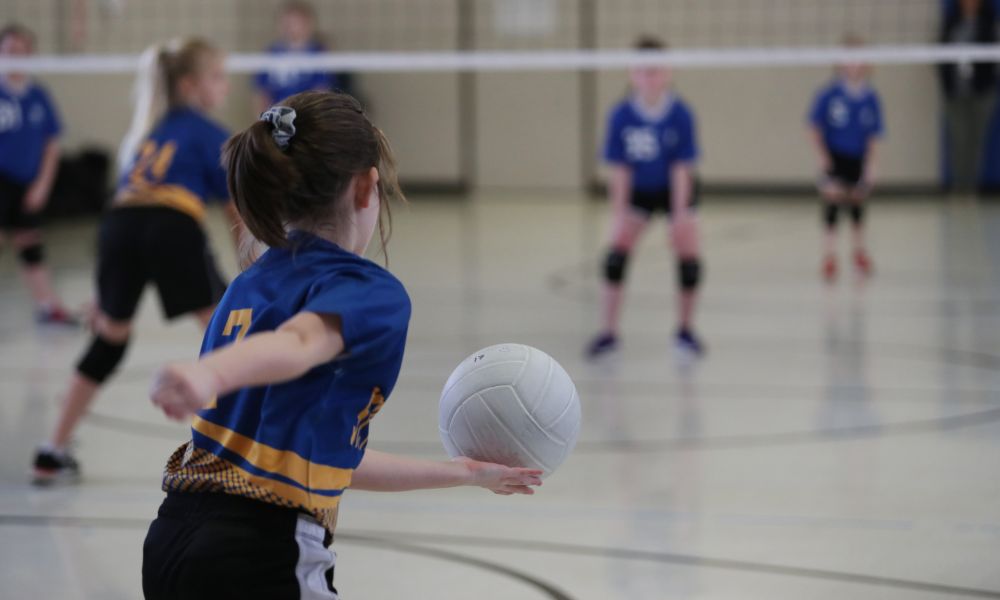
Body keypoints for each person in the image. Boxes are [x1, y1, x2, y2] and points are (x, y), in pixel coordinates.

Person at [141, 90, 542, 600]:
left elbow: (329, 458)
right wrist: (209, 376)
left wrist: (464, 472)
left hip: (173, 540)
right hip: (263, 554)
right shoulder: (369, 292)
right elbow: (301, 342)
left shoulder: (248, 285)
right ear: (366, 186)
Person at [31, 38, 240, 484]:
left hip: (118, 227)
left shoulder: (149, 133)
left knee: (109, 340)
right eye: (218, 77)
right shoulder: (209, 134)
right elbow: (235, 212)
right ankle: (248, 448)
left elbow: (124, 214)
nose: (225, 86)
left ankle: (51, 450)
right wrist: (257, 270)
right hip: (170, 226)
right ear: (190, 85)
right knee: (230, 333)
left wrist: (103, 290)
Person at [586, 35, 705, 359]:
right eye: (642, 71)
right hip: (639, 188)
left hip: (673, 189)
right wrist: (620, 212)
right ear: (631, 74)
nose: (649, 77)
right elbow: (620, 169)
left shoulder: (681, 113)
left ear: (668, 72)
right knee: (614, 257)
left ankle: (685, 331)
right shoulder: (621, 115)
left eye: (655, 70)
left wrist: (679, 216)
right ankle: (608, 333)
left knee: (689, 257)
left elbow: (683, 169)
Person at [0, 23, 78, 324]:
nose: (14, 57)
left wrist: (43, 185)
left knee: (30, 242)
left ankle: (48, 306)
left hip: (27, 181)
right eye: (8, 51)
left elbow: (52, 143)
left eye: (20, 51)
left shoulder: (38, 95)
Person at [808, 34, 884, 282]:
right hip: (835, 157)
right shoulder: (829, 94)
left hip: (858, 158)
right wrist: (821, 157)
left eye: (858, 59)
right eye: (848, 59)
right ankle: (829, 257)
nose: (853, 64)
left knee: (857, 205)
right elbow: (813, 126)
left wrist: (872, 165)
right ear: (840, 63)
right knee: (831, 204)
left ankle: (858, 254)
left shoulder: (871, 97)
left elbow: (874, 135)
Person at [939, 0, 998, 193]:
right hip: (956, 93)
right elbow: (940, 55)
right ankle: (959, 188)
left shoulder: (989, 23)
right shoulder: (951, 22)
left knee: (976, 142)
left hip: (982, 92)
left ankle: (971, 188)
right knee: (959, 141)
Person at [253, 1, 347, 113]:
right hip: (277, 115)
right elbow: (261, 94)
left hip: (307, 115)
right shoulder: (270, 53)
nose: (291, 28)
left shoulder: (319, 53)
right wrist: (264, 120)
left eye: (297, 23)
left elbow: (321, 91)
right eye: (287, 23)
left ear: (308, 24)